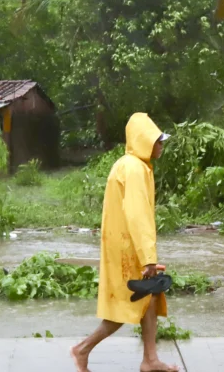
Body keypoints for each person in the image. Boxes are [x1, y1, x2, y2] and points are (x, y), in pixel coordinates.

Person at [71, 113, 179, 372]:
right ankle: (82, 349)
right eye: (158, 140)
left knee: (150, 297)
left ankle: (150, 359)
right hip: (127, 251)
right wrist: (148, 258)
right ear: (145, 141)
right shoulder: (133, 169)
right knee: (125, 307)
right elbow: (137, 214)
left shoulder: (133, 165)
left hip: (125, 246)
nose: (162, 145)